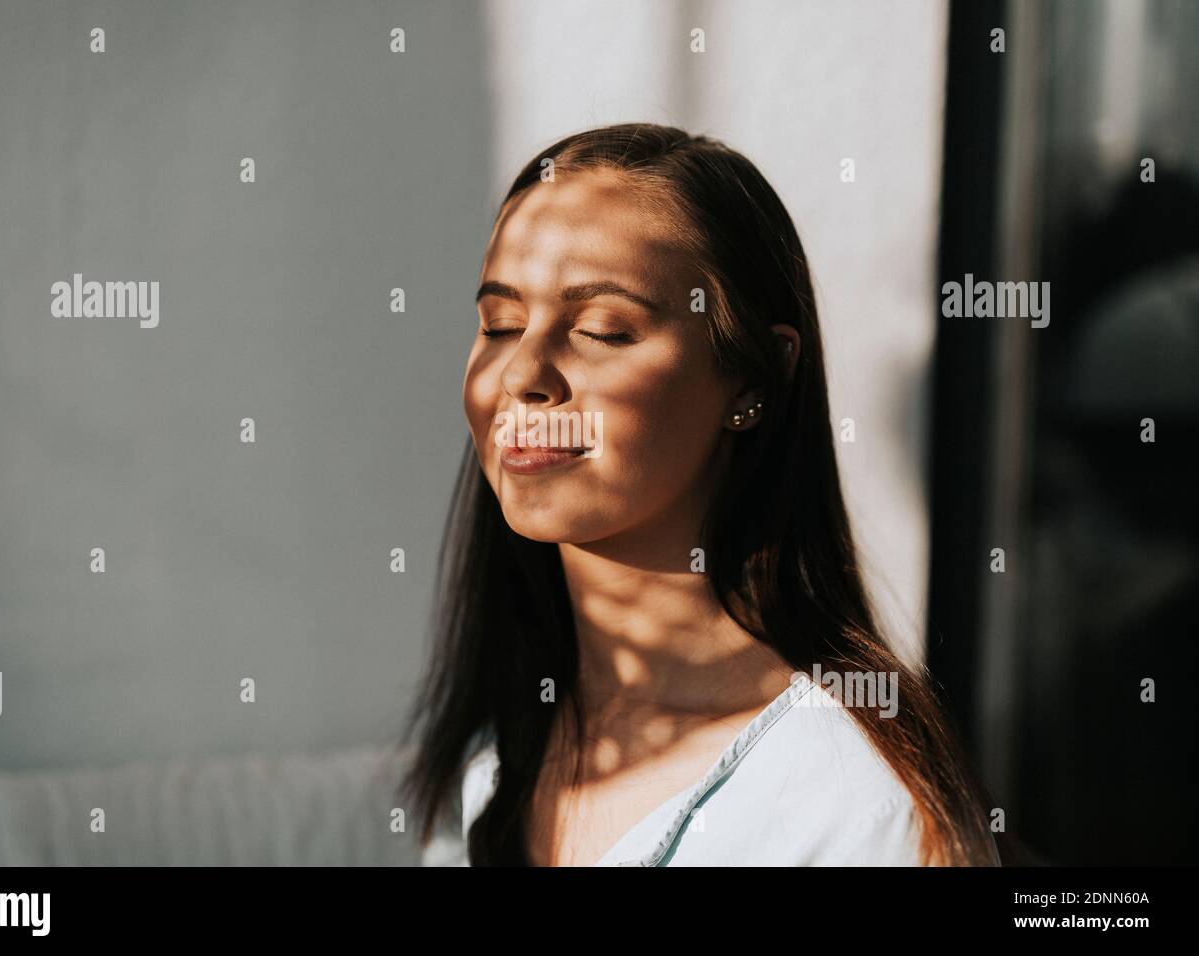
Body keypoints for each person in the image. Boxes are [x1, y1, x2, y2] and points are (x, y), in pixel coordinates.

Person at [398, 123, 1000, 867]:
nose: (524, 374)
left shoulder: (852, 805)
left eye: (602, 329)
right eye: (501, 323)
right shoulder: (499, 745)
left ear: (753, 378)